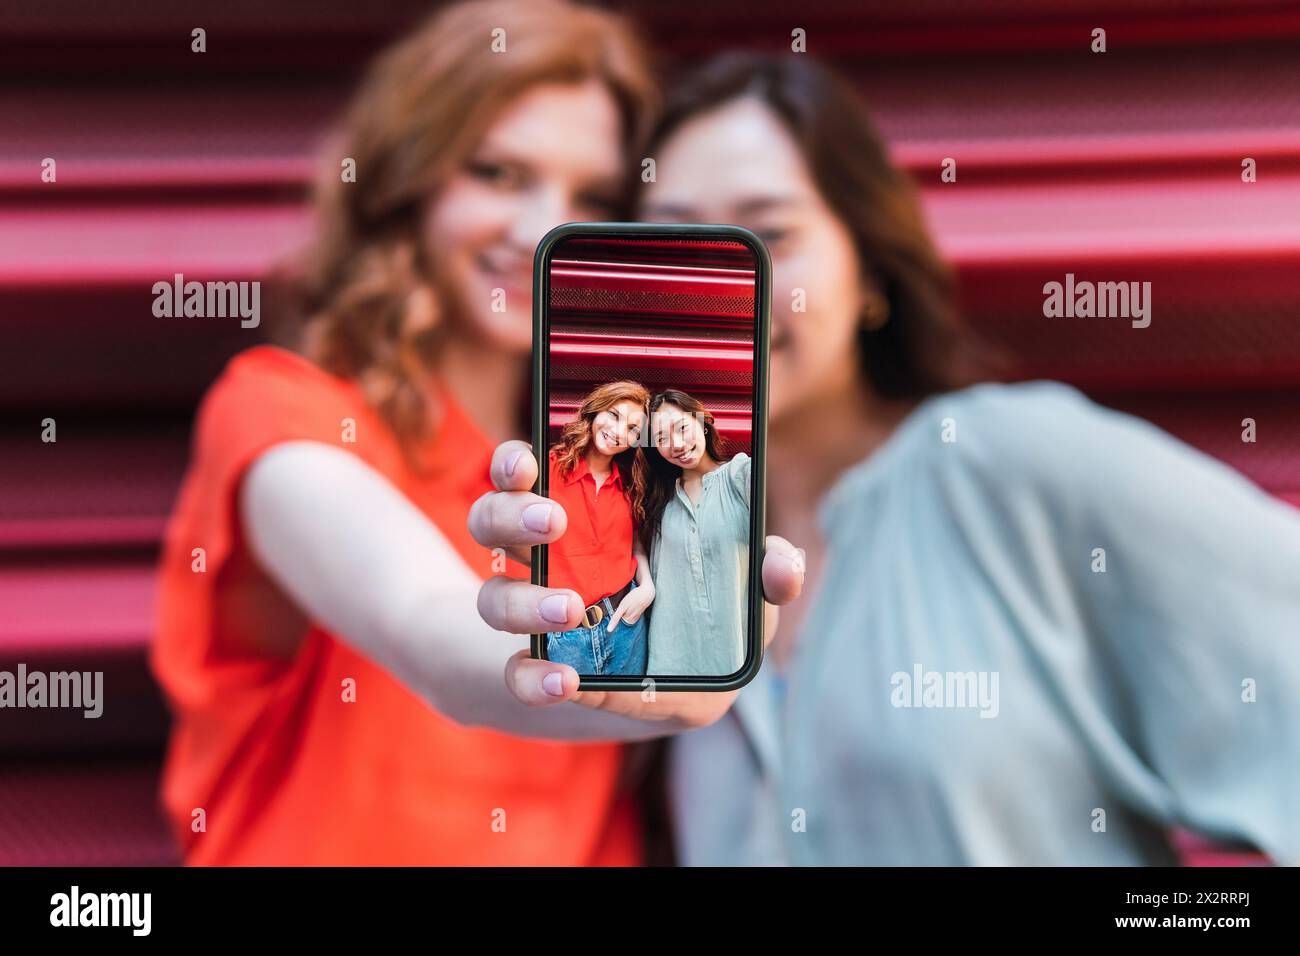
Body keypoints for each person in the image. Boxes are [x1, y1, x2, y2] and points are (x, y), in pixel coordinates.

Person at [476, 52, 1300, 866]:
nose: (722, 290)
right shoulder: (653, 528)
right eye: (674, 243)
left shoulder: (1012, 462)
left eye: (769, 235)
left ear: (868, 267)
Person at [149, 0, 804, 866]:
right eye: (498, 173)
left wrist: (684, 673)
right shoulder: (282, 409)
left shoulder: (631, 449)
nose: (540, 228)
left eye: (593, 197)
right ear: (411, 180)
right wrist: (591, 674)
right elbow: (423, 622)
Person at [544, 381, 654, 676]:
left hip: (627, 625)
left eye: (632, 429)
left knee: (628, 706)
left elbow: (634, 543)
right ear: (595, 411)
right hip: (566, 635)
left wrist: (647, 587)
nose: (618, 431)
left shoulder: (631, 484)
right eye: (614, 415)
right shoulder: (547, 468)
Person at [641, 390, 752, 677]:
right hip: (670, 666)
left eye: (681, 428)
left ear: (702, 423)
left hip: (738, 661)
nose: (677, 444)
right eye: (662, 438)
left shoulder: (741, 474)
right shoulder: (660, 501)